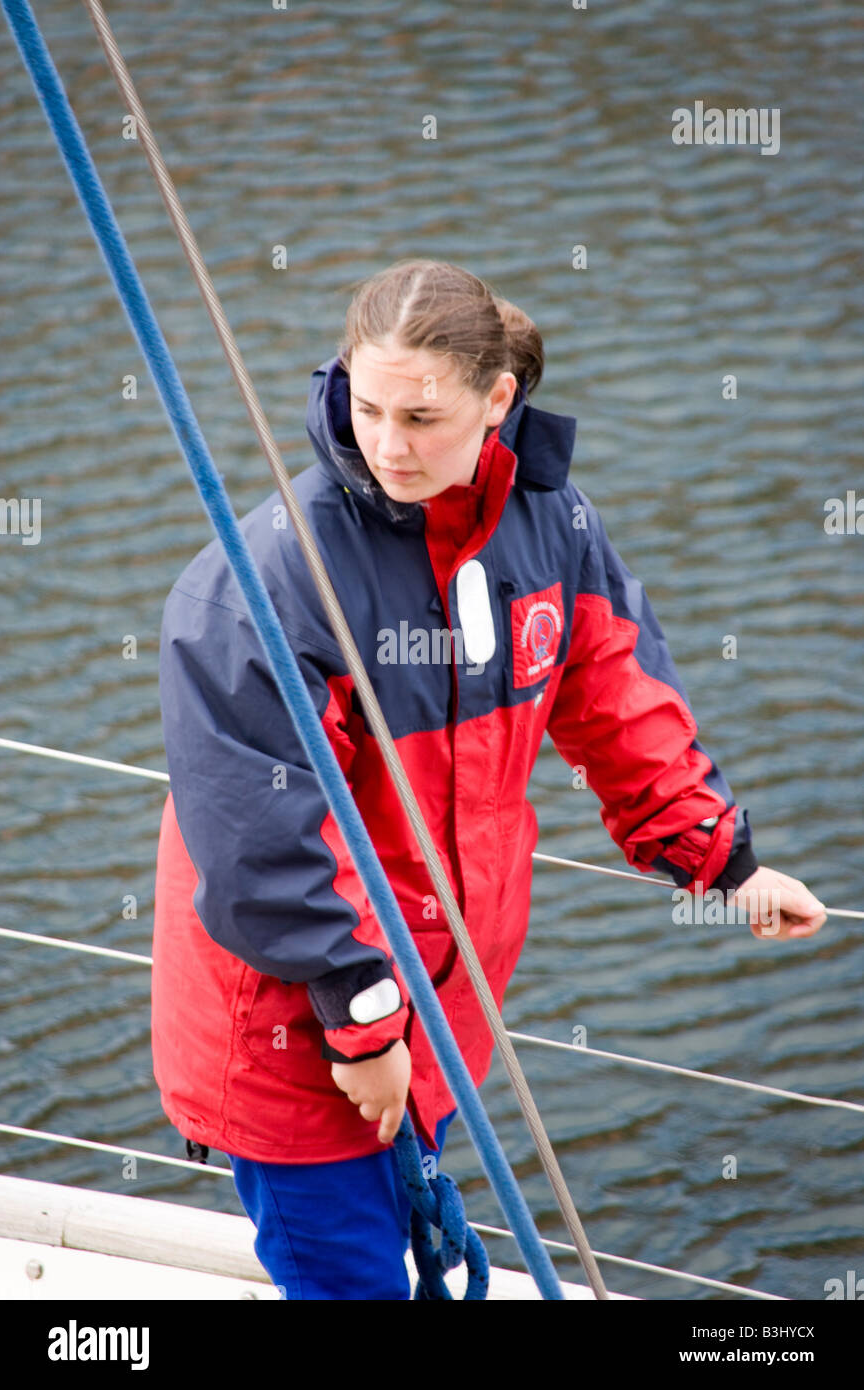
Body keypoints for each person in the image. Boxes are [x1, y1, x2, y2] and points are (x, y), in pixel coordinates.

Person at [151, 258, 827, 1301]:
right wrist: (362, 1015)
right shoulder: (269, 582)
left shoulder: (550, 528)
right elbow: (257, 834)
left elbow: (616, 703)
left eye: (420, 416)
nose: (386, 444)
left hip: (434, 1015)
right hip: (296, 1029)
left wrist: (723, 861)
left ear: (496, 400)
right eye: (366, 408)